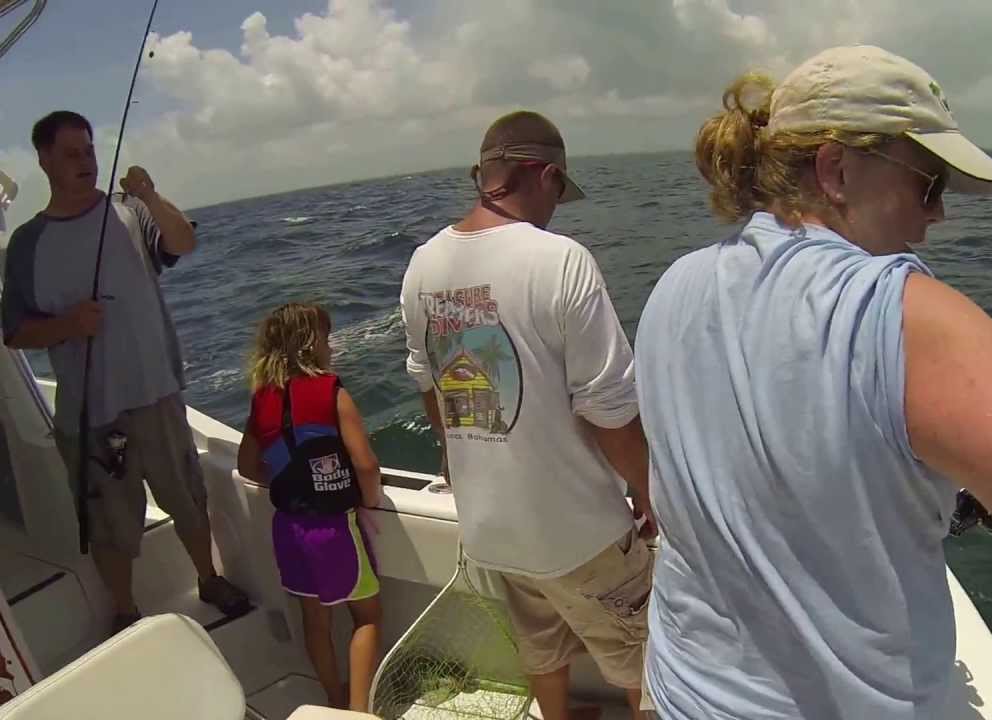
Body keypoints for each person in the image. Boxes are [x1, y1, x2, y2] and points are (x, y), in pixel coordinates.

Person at [633, 46, 992, 719]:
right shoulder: (898, 307)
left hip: (688, 693)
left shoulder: (675, 285)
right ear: (836, 169)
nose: (937, 214)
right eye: (928, 183)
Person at [399, 110, 655, 720]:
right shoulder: (560, 261)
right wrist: (650, 493)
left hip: (494, 532)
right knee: (650, 662)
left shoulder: (422, 266)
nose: (559, 205)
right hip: (579, 533)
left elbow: (431, 389)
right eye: (561, 190)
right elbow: (609, 409)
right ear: (543, 175)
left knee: (541, 643)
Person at [1, 110, 250, 633]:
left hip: (157, 392)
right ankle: (123, 610)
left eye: (89, 150)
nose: (85, 162)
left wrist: (150, 194)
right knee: (110, 521)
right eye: (70, 154)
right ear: (44, 160)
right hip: (91, 413)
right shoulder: (26, 245)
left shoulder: (132, 213)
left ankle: (209, 578)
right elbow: (16, 333)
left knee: (187, 494)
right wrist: (67, 324)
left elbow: (183, 242)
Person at [236, 302, 383, 711]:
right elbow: (366, 464)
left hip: (289, 529)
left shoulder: (261, 400)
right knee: (367, 616)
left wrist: (290, 480)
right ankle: (357, 712)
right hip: (334, 527)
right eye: (325, 336)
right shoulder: (331, 391)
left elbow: (247, 465)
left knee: (315, 621)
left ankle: (332, 701)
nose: (330, 344)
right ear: (311, 343)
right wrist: (368, 500)